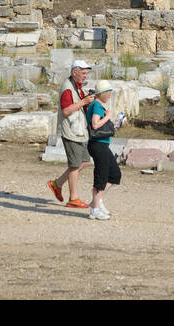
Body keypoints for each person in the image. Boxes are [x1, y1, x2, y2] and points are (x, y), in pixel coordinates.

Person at [47, 59, 96, 209]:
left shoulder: (77, 86)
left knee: (85, 162)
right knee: (75, 165)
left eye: (87, 73)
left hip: (79, 130)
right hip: (70, 130)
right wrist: (83, 102)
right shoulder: (67, 88)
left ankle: (58, 183)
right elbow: (66, 110)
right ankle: (73, 198)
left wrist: (85, 100)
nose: (85, 76)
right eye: (83, 73)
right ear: (74, 72)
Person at [85, 82, 123, 220]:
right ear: (102, 93)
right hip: (98, 145)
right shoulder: (97, 106)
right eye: (108, 93)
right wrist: (108, 116)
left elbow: (101, 126)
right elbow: (95, 125)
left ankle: (97, 200)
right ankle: (94, 209)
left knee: (114, 174)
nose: (109, 96)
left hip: (103, 144)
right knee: (101, 176)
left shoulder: (98, 106)